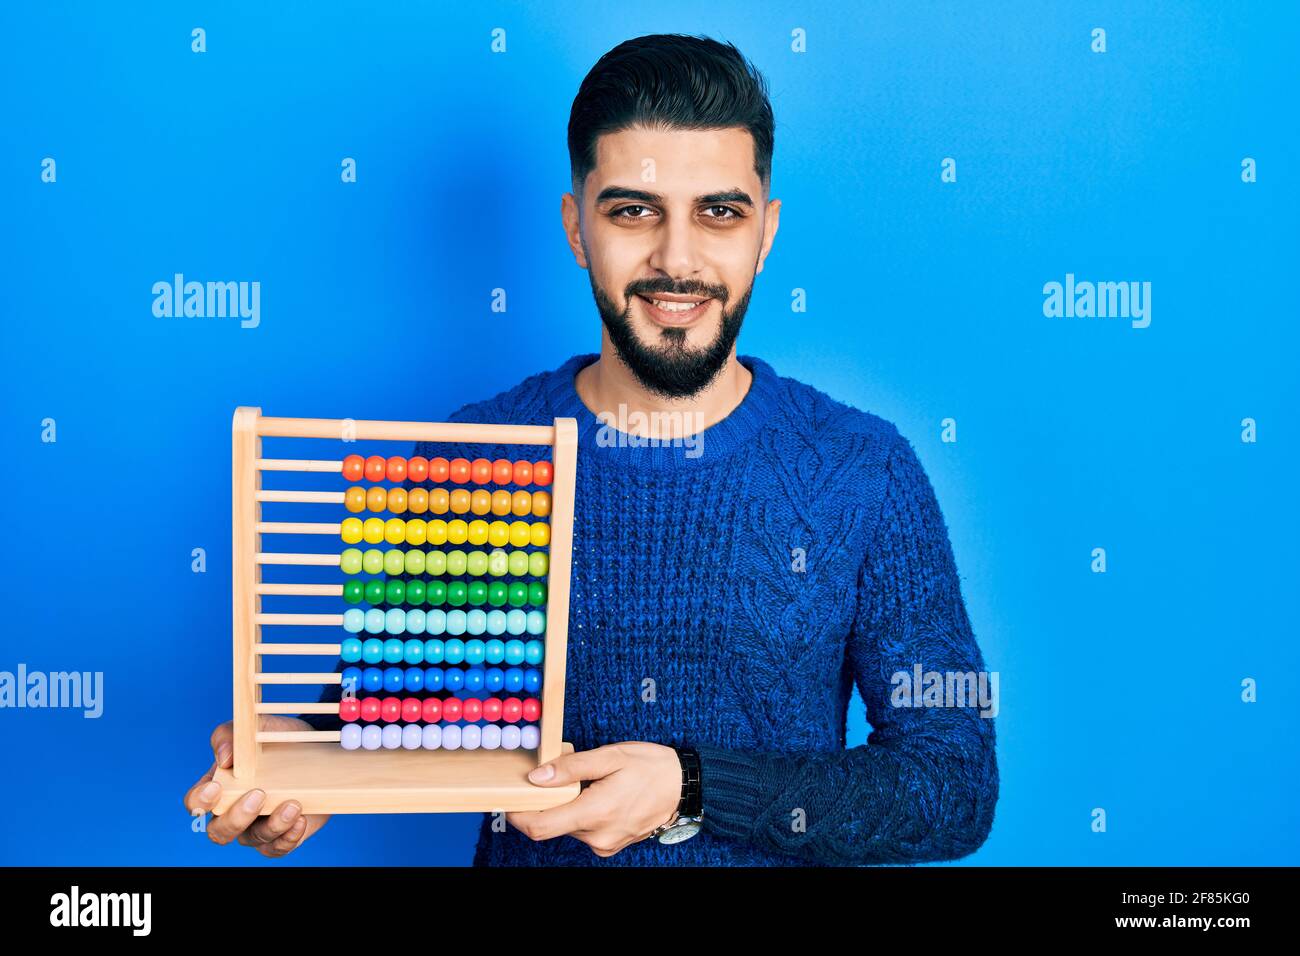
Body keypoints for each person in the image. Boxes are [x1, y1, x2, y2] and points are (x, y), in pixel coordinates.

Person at [184, 32, 999, 866]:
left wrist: (692, 786)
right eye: (633, 210)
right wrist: (290, 762)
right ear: (577, 227)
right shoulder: (476, 456)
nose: (677, 260)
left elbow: (954, 785)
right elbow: (383, 712)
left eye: (719, 212)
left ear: (766, 232)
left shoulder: (864, 469)